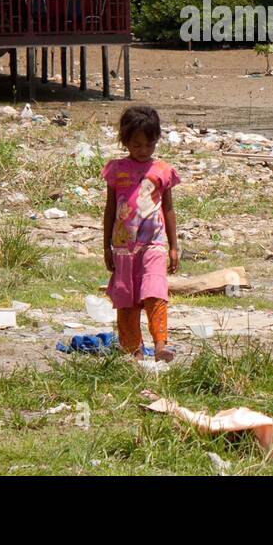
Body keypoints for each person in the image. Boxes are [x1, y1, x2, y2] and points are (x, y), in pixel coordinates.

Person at [102, 105, 180, 362]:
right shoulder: (116, 170)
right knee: (126, 298)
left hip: (154, 244)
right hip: (123, 246)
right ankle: (133, 350)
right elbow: (110, 209)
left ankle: (160, 345)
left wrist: (173, 246)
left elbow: (168, 208)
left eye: (149, 145)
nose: (143, 151)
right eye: (137, 146)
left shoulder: (162, 171)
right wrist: (106, 247)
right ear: (125, 142)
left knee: (155, 290)